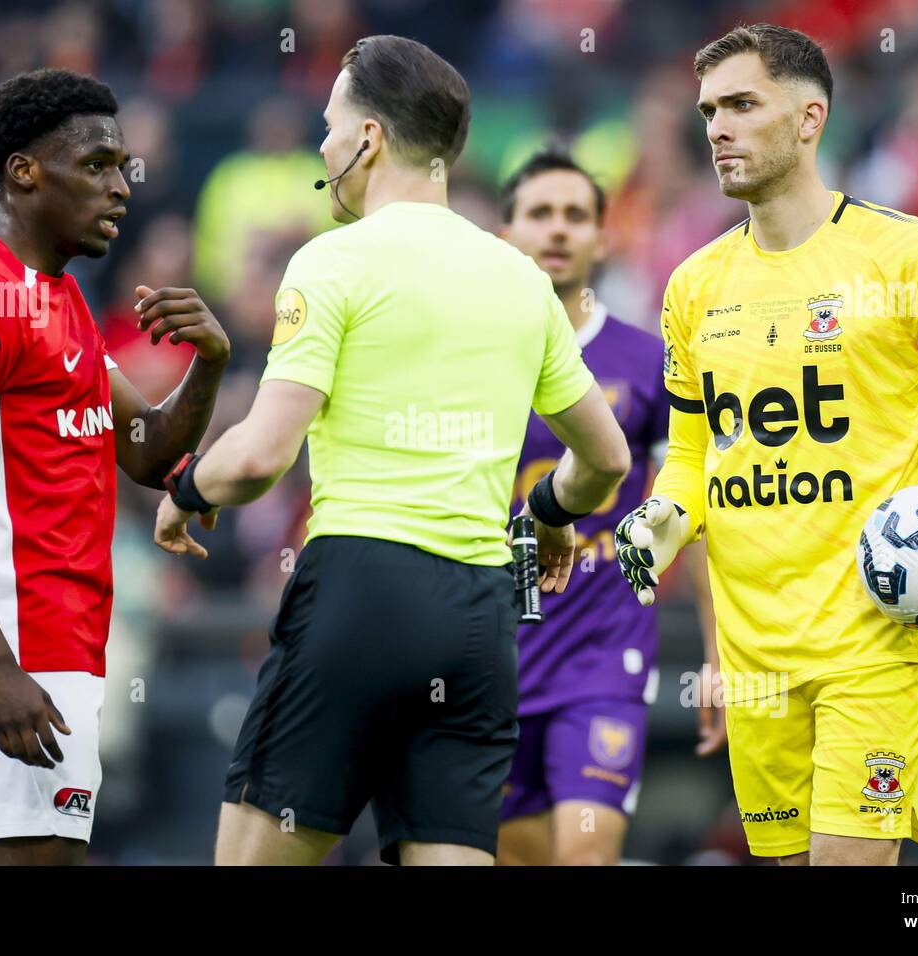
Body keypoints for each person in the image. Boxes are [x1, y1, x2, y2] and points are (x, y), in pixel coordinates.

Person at [151, 35, 631, 866]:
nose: (324, 145)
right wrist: (549, 515)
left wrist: (187, 489)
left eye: (330, 127)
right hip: (479, 619)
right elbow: (610, 459)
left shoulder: (331, 261)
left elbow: (262, 456)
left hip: (359, 595)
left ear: (369, 138)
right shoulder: (519, 277)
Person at [614, 23, 918, 866]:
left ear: (811, 118)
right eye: (710, 110)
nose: (718, 128)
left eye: (743, 104)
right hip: (753, 656)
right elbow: (695, 453)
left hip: (877, 640)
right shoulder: (692, 287)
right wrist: (664, 517)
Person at [0, 68, 230, 866]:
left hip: (53, 641)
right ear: (24, 172)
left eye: (121, 166)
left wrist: (210, 362)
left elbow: (145, 452)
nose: (121, 186)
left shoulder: (56, 299)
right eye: (96, 164)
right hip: (21, 639)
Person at [494, 148, 722, 866]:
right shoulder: (470, 357)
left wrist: (720, 655)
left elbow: (697, 518)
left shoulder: (647, 361)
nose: (557, 230)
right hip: (489, 658)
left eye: (575, 215)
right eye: (539, 214)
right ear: (506, 233)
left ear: (603, 236)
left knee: (585, 857)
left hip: (603, 659)